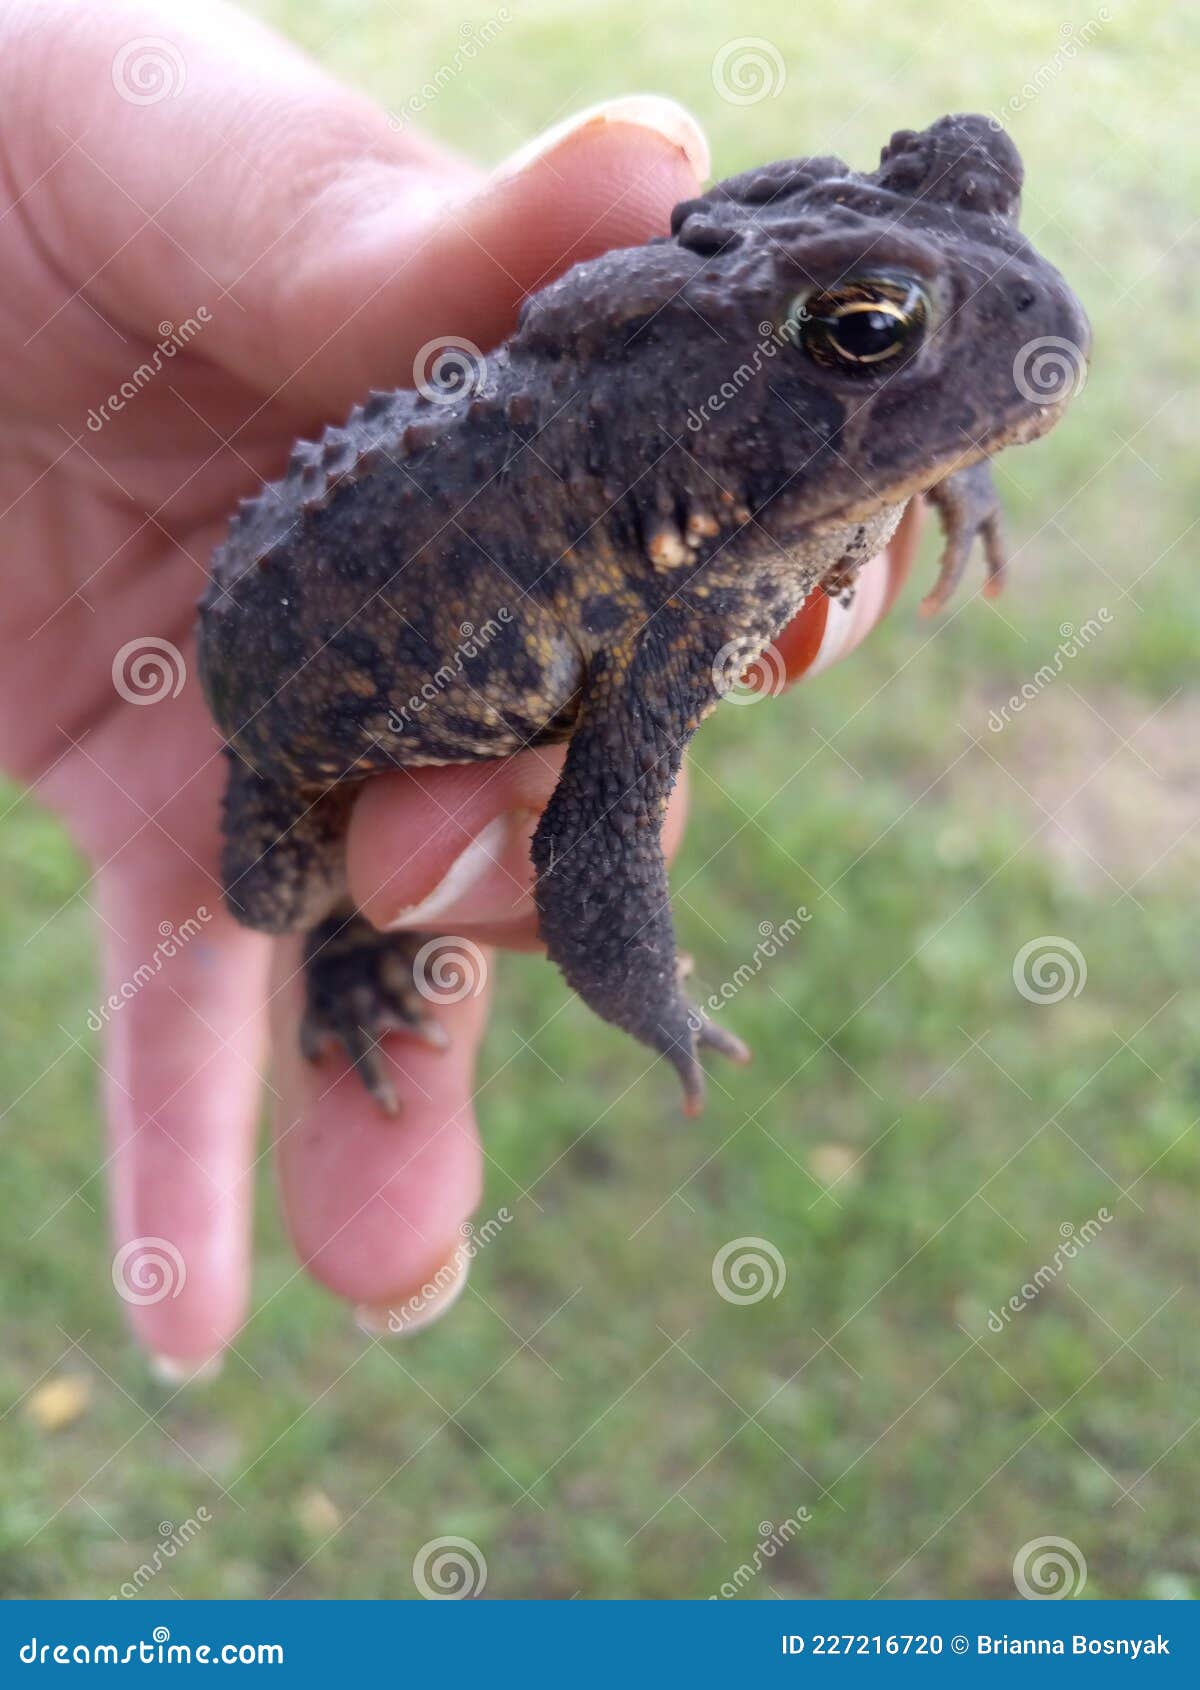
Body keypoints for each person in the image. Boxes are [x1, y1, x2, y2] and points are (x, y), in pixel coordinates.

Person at [0, 0, 915, 1375]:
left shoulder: (699, 519)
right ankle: (347, 943)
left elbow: (874, 389)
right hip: (280, 697)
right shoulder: (660, 591)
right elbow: (598, 857)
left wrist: (924, 448)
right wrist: (654, 996)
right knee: (274, 890)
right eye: (872, 329)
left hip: (361, 531)